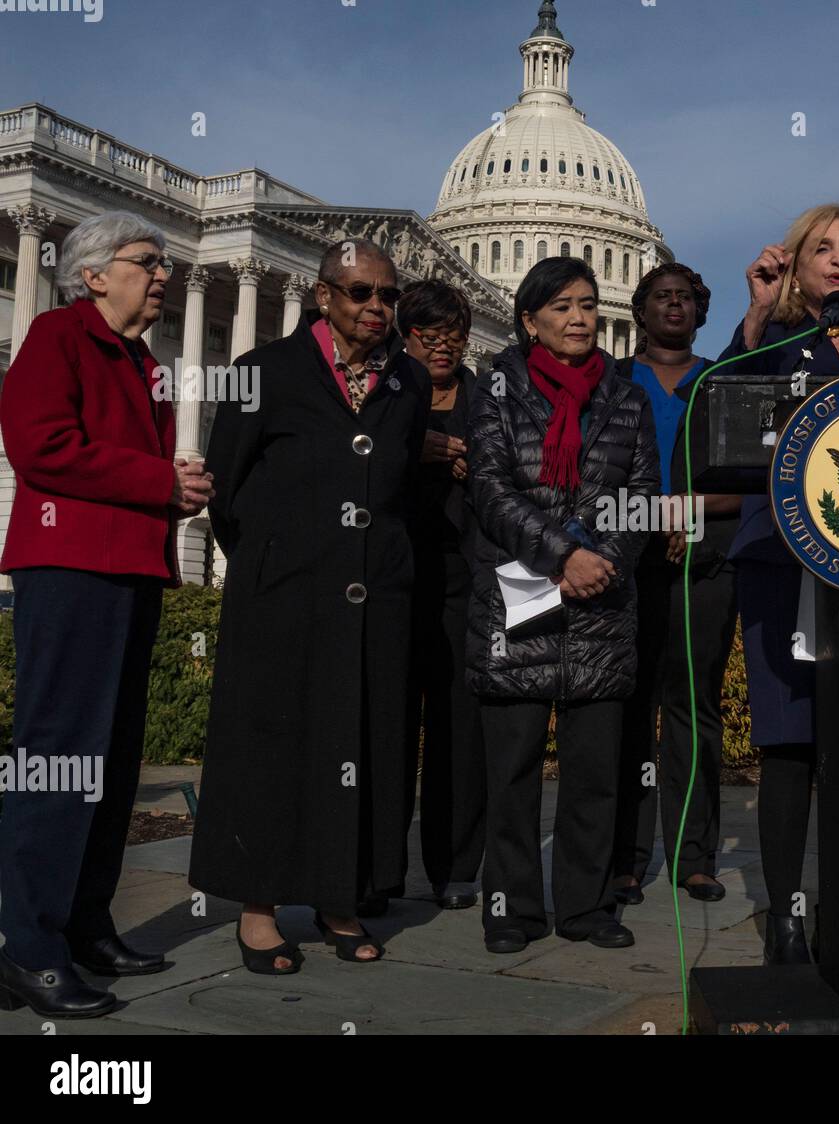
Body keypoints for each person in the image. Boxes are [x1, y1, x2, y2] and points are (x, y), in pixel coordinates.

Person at [189, 238, 430, 972]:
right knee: (269, 745)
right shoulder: (260, 371)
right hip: (283, 595)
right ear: (323, 295)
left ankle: (339, 899)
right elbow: (227, 490)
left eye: (388, 295)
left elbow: (400, 488)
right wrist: (276, 557)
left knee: (358, 744)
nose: (377, 307)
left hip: (374, 596)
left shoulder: (409, 381)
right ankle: (258, 908)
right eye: (360, 292)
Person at [0, 211, 213, 1017]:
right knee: (59, 760)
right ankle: (28, 948)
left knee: (114, 763)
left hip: (127, 573)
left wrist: (175, 492)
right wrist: (160, 482)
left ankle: (86, 925)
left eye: (164, 264)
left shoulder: (143, 360)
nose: (161, 275)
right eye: (147, 261)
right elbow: (40, 446)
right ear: (93, 274)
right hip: (68, 570)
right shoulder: (56, 336)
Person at [717, 204, 839, 964]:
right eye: (821, 248)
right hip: (779, 560)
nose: (837, 259)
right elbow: (720, 405)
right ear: (795, 266)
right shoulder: (773, 339)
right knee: (790, 743)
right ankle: (785, 917)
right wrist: (757, 315)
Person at [465, 256, 658, 954]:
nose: (578, 318)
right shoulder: (494, 388)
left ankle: (587, 906)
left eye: (587, 304)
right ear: (529, 320)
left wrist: (603, 562)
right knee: (511, 771)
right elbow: (490, 488)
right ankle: (510, 910)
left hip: (602, 601)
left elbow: (642, 493)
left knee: (595, 773)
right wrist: (562, 555)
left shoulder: (627, 397)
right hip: (518, 597)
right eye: (562, 307)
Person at [611, 264, 740, 906]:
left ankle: (694, 856)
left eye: (685, 298)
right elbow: (592, 477)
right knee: (628, 709)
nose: (673, 306)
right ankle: (627, 858)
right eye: (661, 297)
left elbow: (750, 479)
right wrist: (650, 517)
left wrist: (685, 511)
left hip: (705, 564)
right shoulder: (610, 381)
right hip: (625, 564)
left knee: (694, 708)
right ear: (639, 310)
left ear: (699, 310)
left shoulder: (722, 382)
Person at [397, 280, 485, 912]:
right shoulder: (385, 396)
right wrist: (411, 450)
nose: (443, 346)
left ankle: (455, 865)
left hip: (464, 579)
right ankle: (378, 868)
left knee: (459, 728)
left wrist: (480, 468)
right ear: (406, 336)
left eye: (454, 334)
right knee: (391, 724)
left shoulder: (486, 400)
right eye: (429, 334)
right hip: (395, 579)